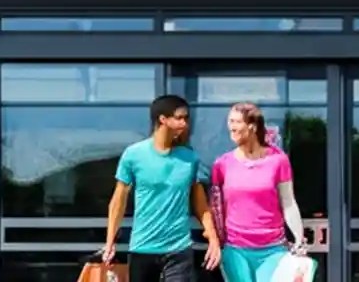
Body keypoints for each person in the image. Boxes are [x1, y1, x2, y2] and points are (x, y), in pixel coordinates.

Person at [104, 94, 221, 282]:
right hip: (142, 247)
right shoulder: (134, 155)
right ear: (163, 119)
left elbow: (200, 205)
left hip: (179, 249)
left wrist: (213, 238)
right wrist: (110, 242)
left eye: (186, 118)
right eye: (180, 118)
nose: (185, 123)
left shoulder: (189, 158)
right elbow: (118, 201)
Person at [210, 102, 308, 282]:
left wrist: (299, 239)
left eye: (236, 121)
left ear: (252, 126)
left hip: (273, 248)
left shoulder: (278, 161)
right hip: (235, 249)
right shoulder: (222, 164)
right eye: (229, 121)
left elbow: (288, 202)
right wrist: (217, 242)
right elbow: (216, 209)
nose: (231, 126)